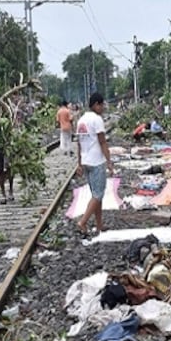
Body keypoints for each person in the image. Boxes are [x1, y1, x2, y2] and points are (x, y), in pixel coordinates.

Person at [76, 92, 114, 235]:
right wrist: (109, 162)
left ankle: (99, 225)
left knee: (96, 195)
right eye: (102, 104)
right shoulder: (96, 120)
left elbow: (79, 144)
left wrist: (79, 163)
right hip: (97, 161)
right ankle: (83, 222)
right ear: (96, 104)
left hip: (86, 161)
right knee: (98, 195)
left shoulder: (81, 121)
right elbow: (102, 141)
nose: (103, 107)